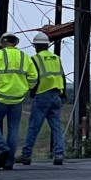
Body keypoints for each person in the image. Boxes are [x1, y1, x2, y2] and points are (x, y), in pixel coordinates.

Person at [0, 32, 37, 170]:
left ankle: (2, 148)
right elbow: (33, 77)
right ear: (15, 43)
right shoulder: (25, 57)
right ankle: (9, 162)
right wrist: (27, 88)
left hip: (0, 96)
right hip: (18, 98)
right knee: (13, 129)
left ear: (3, 42)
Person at [19, 31, 67, 166]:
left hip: (42, 95)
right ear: (47, 45)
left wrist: (32, 92)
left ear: (35, 46)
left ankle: (26, 155)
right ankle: (59, 155)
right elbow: (62, 76)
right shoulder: (56, 58)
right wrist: (62, 94)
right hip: (56, 95)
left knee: (34, 127)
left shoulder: (34, 59)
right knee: (56, 127)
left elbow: (34, 78)